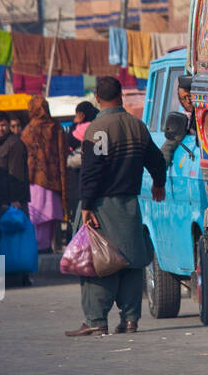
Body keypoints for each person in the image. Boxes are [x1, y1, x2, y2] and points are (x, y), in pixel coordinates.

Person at [66, 76, 166, 338]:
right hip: (130, 205)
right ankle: (130, 319)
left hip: (101, 206)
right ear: (121, 95)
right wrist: (159, 183)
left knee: (97, 263)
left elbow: (91, 172)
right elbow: (156, 160)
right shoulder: (137, 126)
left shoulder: (97, 129)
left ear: (97, 98)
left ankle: (96, 320)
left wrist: (86, 205)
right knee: (131, 262)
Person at [21, 95, 69, 253]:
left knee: (36, 217)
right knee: (50, 216)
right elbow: (63, 154)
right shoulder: (56, 127)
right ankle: (46, 246)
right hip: (54, 179)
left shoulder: (28, 130)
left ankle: (37, 247)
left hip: (34, 180)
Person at [0, 112, 28, 235]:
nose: (0, 129)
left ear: (9, 125)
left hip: (11, 201)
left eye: (3, 125)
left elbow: (17, 172)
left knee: (13, 237)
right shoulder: (0, 143)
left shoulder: (14, 143)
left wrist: (15, 199)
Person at [161, 75, 198, 166]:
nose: (188, 101)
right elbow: (167, 149)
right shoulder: (183, 119)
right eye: (183, 98)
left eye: (190, 96)